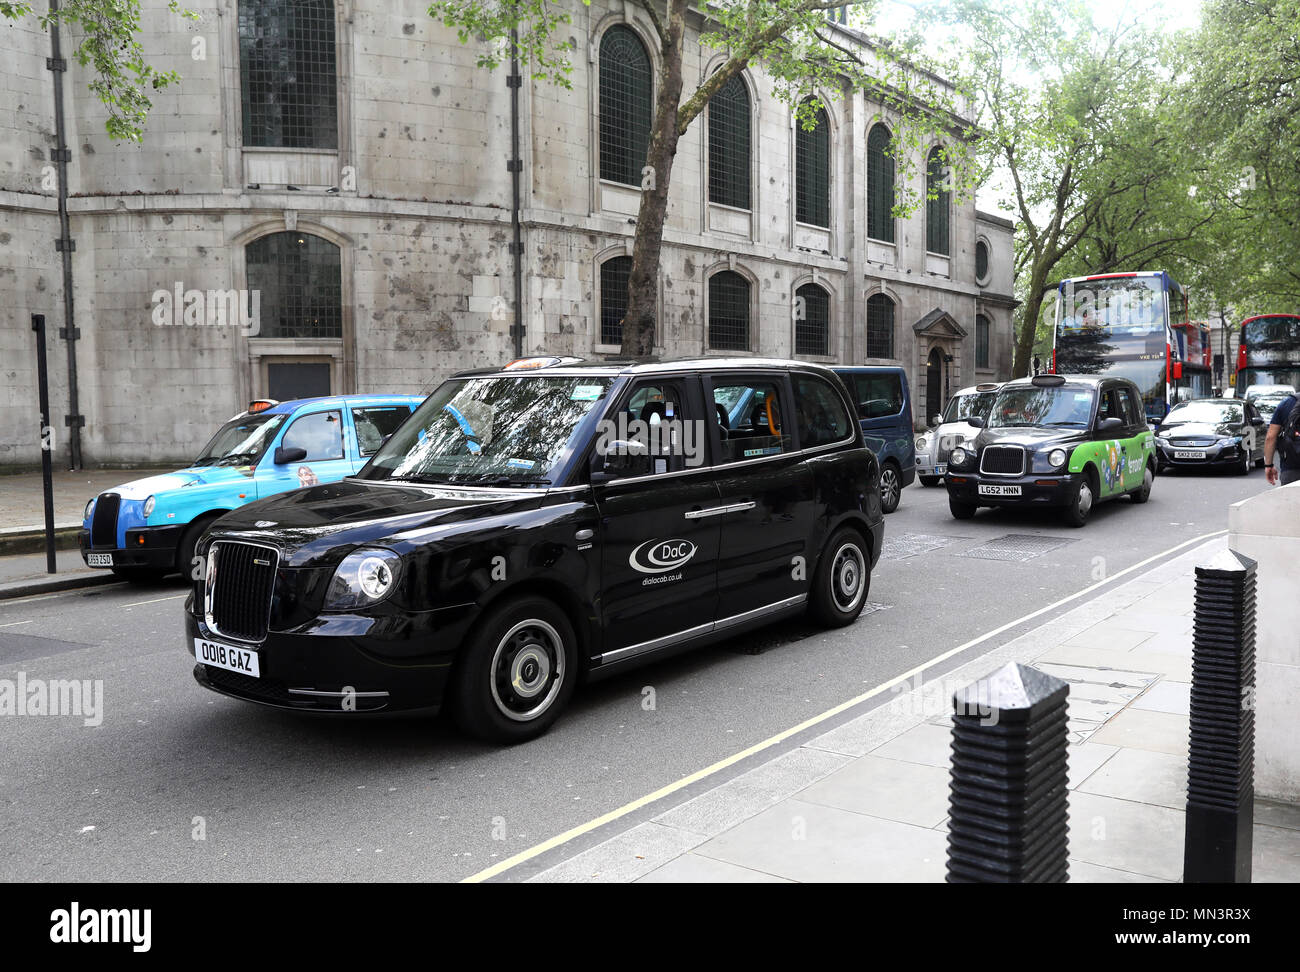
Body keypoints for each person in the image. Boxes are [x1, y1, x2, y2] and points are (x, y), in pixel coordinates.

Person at [1264, 392, 1300, 485]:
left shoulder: (1287, 403)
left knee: (1291, 498)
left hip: (1291, 468)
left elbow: (1271, 437)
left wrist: (1269, 465)